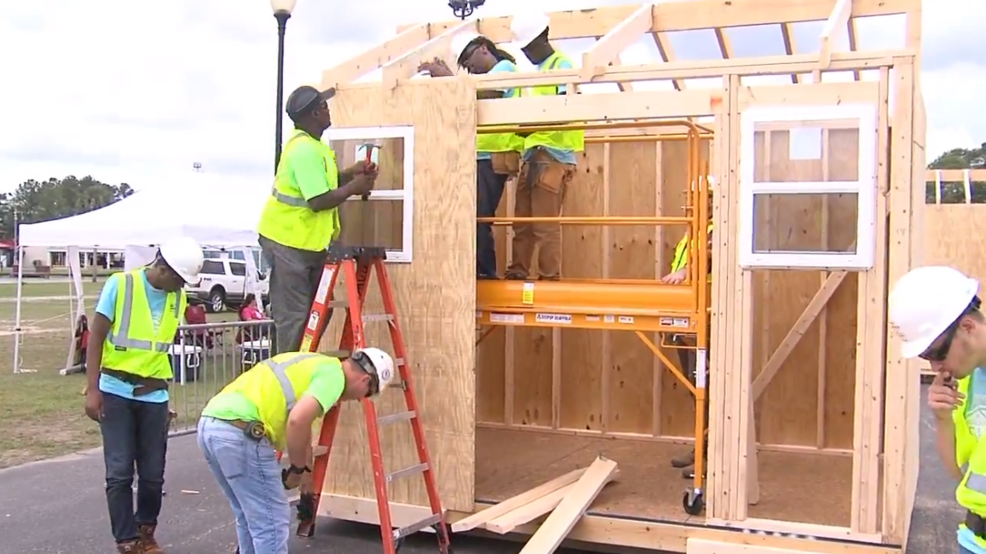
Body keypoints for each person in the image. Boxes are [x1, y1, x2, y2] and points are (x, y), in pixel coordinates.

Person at [197, 348, 396, 554]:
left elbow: (303, 425)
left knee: (249, 514)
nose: (358, 399)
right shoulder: (334, 378)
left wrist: (306, 485)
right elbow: (297, 420)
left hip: (212, 424)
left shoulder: (318, 363)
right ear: (365, 381)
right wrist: (296, 470)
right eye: (366, 395)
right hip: (242, 434)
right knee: (272, 520)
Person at [84, 237, 204, 554]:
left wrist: (165, 397)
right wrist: (92, 389)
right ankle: (126, 541)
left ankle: (146, 531)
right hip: (115, 391)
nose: (180, 286)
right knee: (120, 471)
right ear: (161, 268)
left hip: (153, 395)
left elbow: (160, 349)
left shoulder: (177, 297)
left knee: (153, 474)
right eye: (177, 278)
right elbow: (95, 339)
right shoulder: (119, 285)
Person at [256, 85, 379, 356]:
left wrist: (350, 175)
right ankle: (285, 381)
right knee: (295, 317)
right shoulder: (304, 151)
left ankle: (302, 363)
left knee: (318, 312)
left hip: (308, 244)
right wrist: (355, 187)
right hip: (287, 242)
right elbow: (318, 200)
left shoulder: (315, 147)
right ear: (314, 113)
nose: (328, 109)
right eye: (324, 106)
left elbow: (323, 185)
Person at [888, 265, 986, 554]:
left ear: (967, 327)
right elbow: (959, 471)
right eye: (924, 355)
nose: (934, 367)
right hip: (974, 539)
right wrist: (943, 419)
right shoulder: (967, 383)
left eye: (936, 353)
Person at [418, 32, 524, 279]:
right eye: (464, 64)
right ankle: (479, 272)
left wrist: (450, 80)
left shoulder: (505, 69)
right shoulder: (487, 77)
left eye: (469, 58)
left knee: (478, 217)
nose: (469, 66)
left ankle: (485, 273)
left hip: (492, 155)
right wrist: (452, 81)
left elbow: (487, 96)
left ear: (484, 48)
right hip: (483, 156)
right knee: (473, 216)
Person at [503, 11, 584, 282]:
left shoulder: (562, 65)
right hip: (534, 155)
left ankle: (550, 278)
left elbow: (565, 108)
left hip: (552, 156)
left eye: (529, 47)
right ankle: (518, 271)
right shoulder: (538, 72)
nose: (526, 53)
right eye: (523, 49)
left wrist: (530, 127)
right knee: (523, 223)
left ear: (543, 37)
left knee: (544, 224)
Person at [660, 193, 714, 478]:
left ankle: (712, 454)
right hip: (687, 317)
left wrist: (685, 271)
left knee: (709, 387)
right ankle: (702, 447)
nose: (691, 204)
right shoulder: (693, 231)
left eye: (699, 199)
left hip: (707, 317)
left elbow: (713, 257)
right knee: (696, 386)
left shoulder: (718, 228)